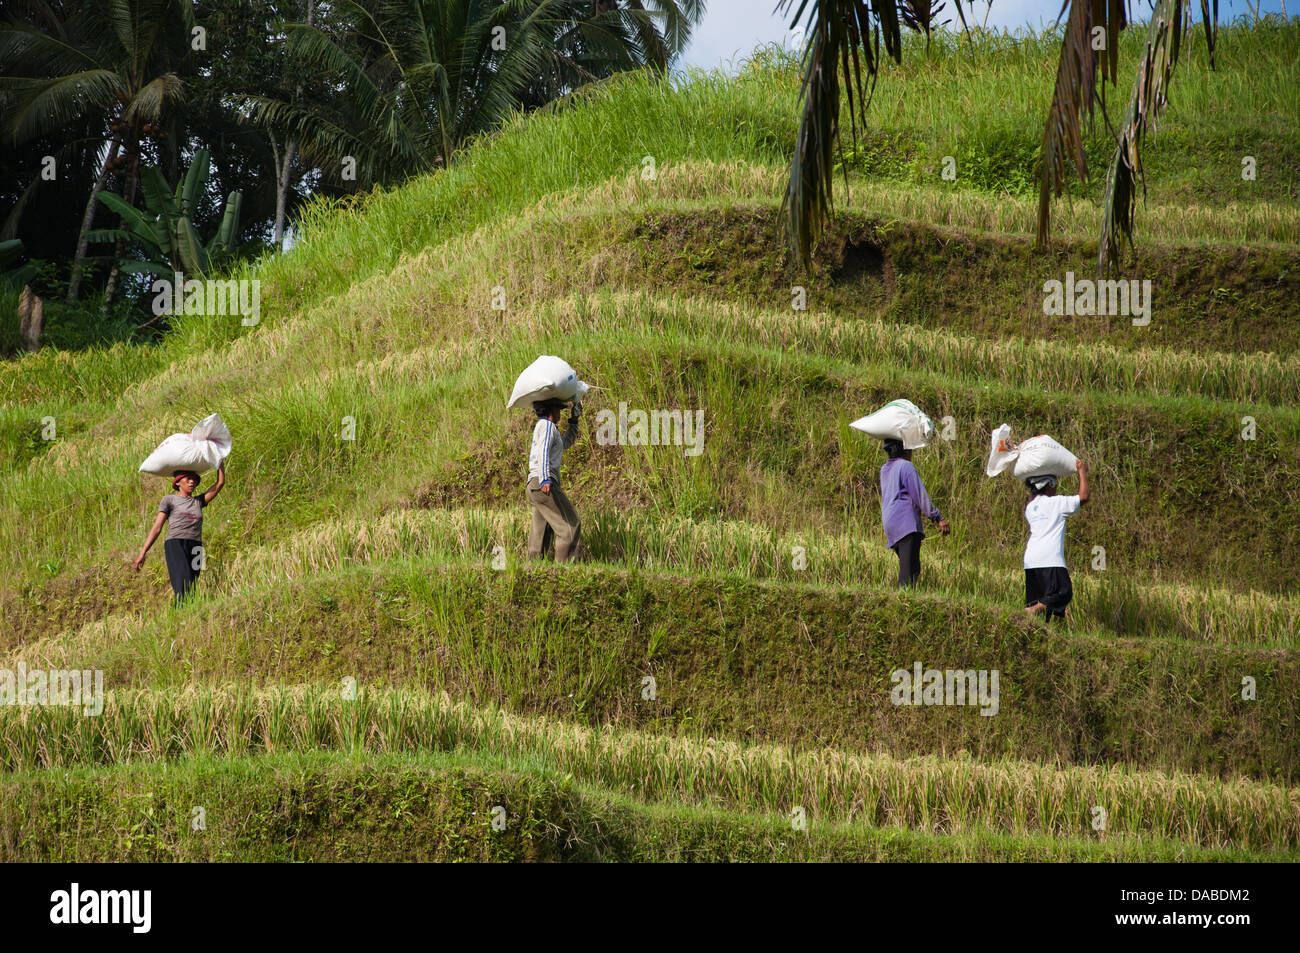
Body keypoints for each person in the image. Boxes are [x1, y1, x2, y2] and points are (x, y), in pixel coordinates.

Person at [134, 463, 225, 604]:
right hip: (176, 544)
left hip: (197, 547)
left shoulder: (198, 502)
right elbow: (157, 527)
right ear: (178, 482)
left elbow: (219, 484)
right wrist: (143, 551)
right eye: (188, 479)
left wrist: (219, 463)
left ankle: (187, 618)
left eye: (194, 479)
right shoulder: (169, 500)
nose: (192, 481)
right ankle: (178, 617)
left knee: (193, 587)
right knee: (183, 586)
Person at [1023, 459, 1090, 622]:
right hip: (1050, 558)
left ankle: (1037, 635)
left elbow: (1033, 495)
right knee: (1063, 591)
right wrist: (1082, 471)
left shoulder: (1030, 508)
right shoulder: (1058, 503)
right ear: (1049, 485)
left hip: (1030, 560)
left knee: (1039, 605)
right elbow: (1084, 497)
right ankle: (1033, 610)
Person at [879, 438, 949, 587]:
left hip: (891, 525)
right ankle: (903, 603)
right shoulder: (906, 466)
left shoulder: (884, 469)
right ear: (905, 450)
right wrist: (938, 518)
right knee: (909, 573)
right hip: (906, 524)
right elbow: (920, 495)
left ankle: (905, 599)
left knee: (912, 567)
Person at [526, 397, 582, 563]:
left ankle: (533, 569)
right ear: (551, 410)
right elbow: (543, 452)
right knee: (570, 525)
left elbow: (564, 443)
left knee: (540, 530)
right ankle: (565, 570)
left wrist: (574, 421)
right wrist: (545, 479)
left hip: (532, 485)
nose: (560, 413)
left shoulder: (544, 427)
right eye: (558, 409)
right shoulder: (548, 426)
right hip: (542, 481)